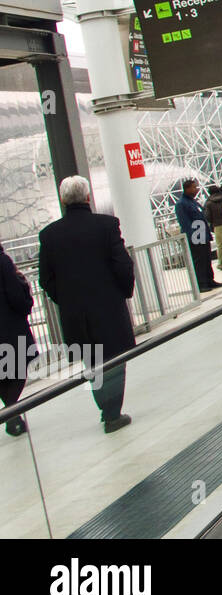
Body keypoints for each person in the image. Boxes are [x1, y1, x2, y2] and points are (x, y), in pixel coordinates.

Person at [38, 176, 136, 433]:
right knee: (115, 359)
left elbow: (45, 278)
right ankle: (113, 413)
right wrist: (123, 292)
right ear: (88, 197)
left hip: (75, 315)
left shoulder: (49, 235)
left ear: (63, 200)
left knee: (92, 363)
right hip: (109, 308)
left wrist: (66, 300)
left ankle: (106, 408)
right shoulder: (106, 225)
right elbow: (122, 264)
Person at [0, 239, 34, 436]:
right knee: (18, 370)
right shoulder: (3, 261)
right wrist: (24, 306)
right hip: (9, 327)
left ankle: (12, 414)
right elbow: (15, 294)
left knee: (4, 376)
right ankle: (12, 413)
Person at [176, 178, 219, 292]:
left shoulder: (193, 202)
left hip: (203, 235)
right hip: (195, 238)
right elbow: (185, 222)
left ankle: (210, 280)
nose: (196, 189)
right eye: (194, 187)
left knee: (206, 259)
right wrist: (194, 237)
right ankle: (201, 284)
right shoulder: (181, 204)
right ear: (187, 188)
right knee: (199, 261)